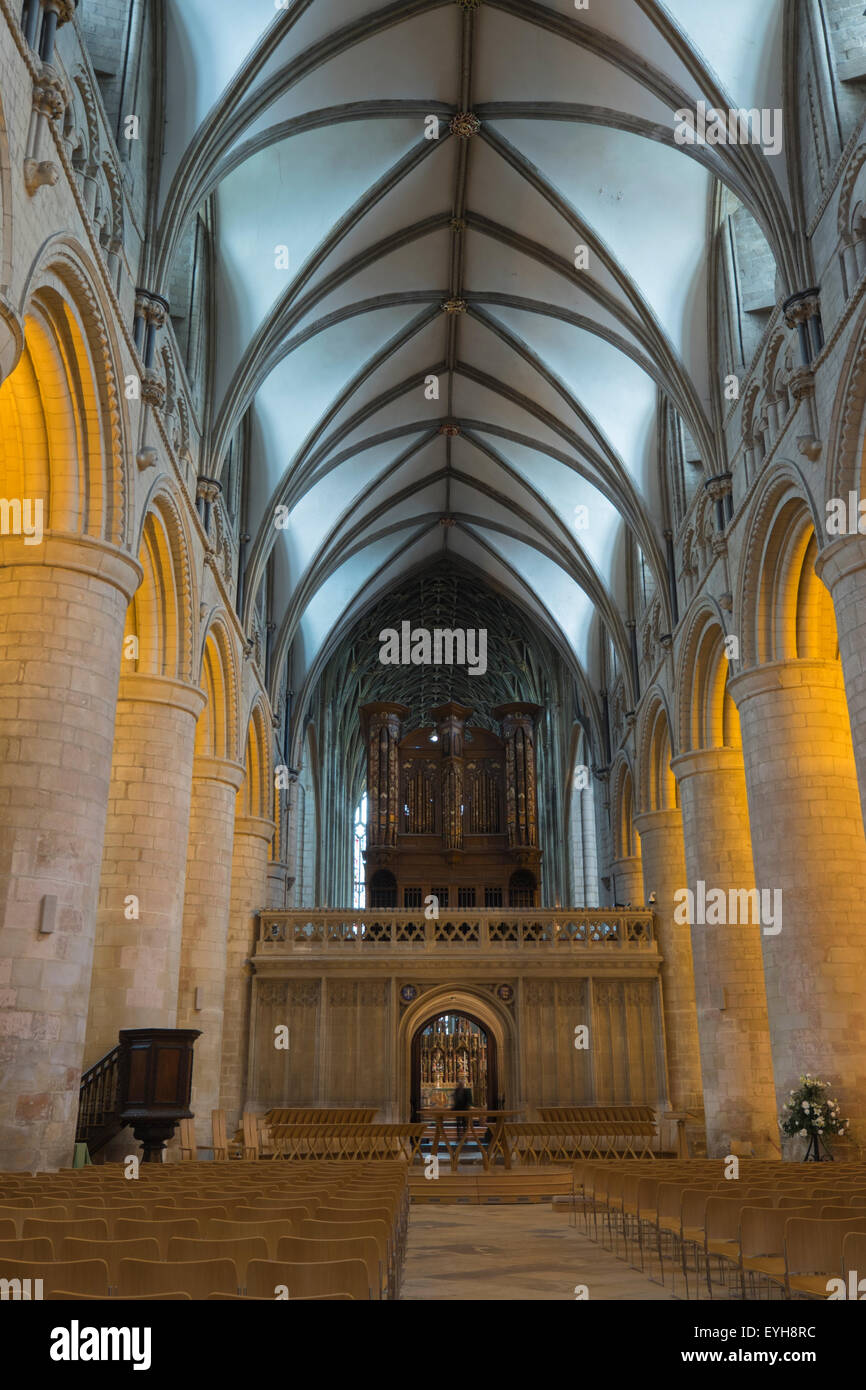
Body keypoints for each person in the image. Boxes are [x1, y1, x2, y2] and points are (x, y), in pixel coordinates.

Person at [453, 1077, 473, 1142]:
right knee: (458, 1124)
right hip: (458, 1110)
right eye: (460, 1083)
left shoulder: (466, 1091)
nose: (460, 1085)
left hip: (464, 1110)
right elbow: (455, 1099)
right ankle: (458, 1137)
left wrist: (468, 1106)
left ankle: (465, 1137)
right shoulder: (456, 1090)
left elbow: (469, 1100)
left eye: (461, 1084)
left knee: (464, 1124)